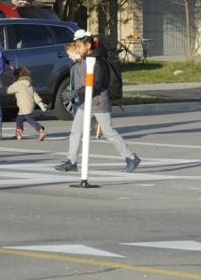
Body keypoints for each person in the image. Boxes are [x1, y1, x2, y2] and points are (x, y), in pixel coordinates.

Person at [54, 30, 140, 173]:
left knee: (109, 132)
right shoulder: (84, 59)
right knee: (75, 131)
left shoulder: (98, 61)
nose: (78, 49)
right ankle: (71, 161)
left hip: (99, 102)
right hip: (84, 102)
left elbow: (97, 84)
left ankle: (131, 158)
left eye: (80, 46)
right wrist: (74, 92)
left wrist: (76, 92)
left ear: (88, 45)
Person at [9, 66, 50, 142]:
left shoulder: (17, 84)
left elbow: (9, 90)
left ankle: (40, 129)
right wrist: (41, 105)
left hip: (23, 106)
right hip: (29, 105)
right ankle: (19, 133)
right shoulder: (29, 85)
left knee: (29, 119)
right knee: (19, 119)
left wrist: (10, 85)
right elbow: (35, 95)